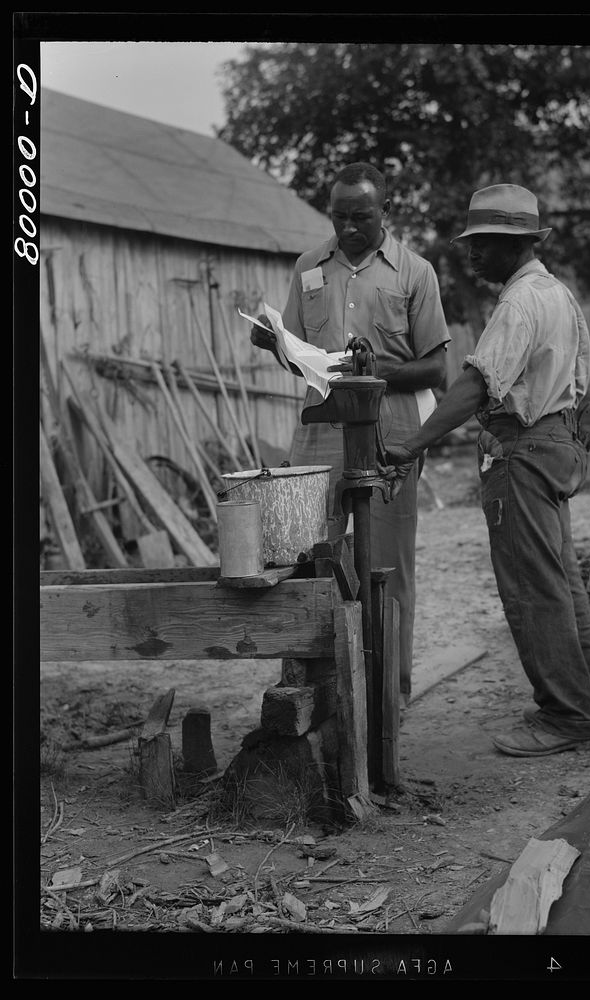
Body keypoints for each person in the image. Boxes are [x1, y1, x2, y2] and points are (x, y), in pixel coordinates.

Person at [383, 182, 590, 757]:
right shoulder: (557, 294)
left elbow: (477, 384)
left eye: (483, 243)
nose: (472, 253)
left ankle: (565, 716)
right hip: (557, 441)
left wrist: (413, 443)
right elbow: (579, 380)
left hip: (526, 453)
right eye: (472, 242)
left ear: (517, 244)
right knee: (562, 580)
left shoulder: (519, 303)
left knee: (533, 589)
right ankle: (589, 700)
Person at [250, 162, 451, 708]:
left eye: (360, 217)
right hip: (320, 430)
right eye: (338, 217)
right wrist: (277, 346)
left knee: (385, 566)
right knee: (306, 556)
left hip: (392, 430)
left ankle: (388, 697)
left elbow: (435, 370)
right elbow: (300, 358)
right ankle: (315, 692)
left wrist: (371, 371)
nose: (348, 228)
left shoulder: (415, 272)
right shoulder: (308, 267)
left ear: (386, 211)